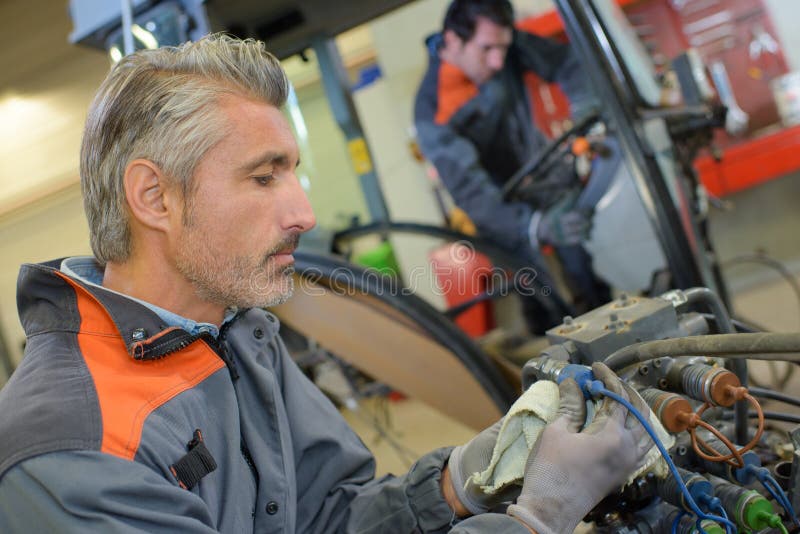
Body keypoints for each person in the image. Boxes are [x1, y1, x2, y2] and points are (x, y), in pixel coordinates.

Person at [0, 35, 649, 532]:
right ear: (154, 197)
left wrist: (462, 480)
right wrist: (536, 518)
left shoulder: (236, 334)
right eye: (264, 176)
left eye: (293, 173)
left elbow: (327, 517)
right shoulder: (73, 449)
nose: (303, 214)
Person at [414, 0, 614, 330]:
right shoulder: (432, 110)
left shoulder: (501, 43)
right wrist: (533, 227)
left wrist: (587, 113)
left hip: (549, 180)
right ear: (452, 41)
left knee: (592, 279)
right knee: (542, 299)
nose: (497, 61)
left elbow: (568, 63)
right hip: (501, 211)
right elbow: (472, 192)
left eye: (503, 48)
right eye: (487, 49)